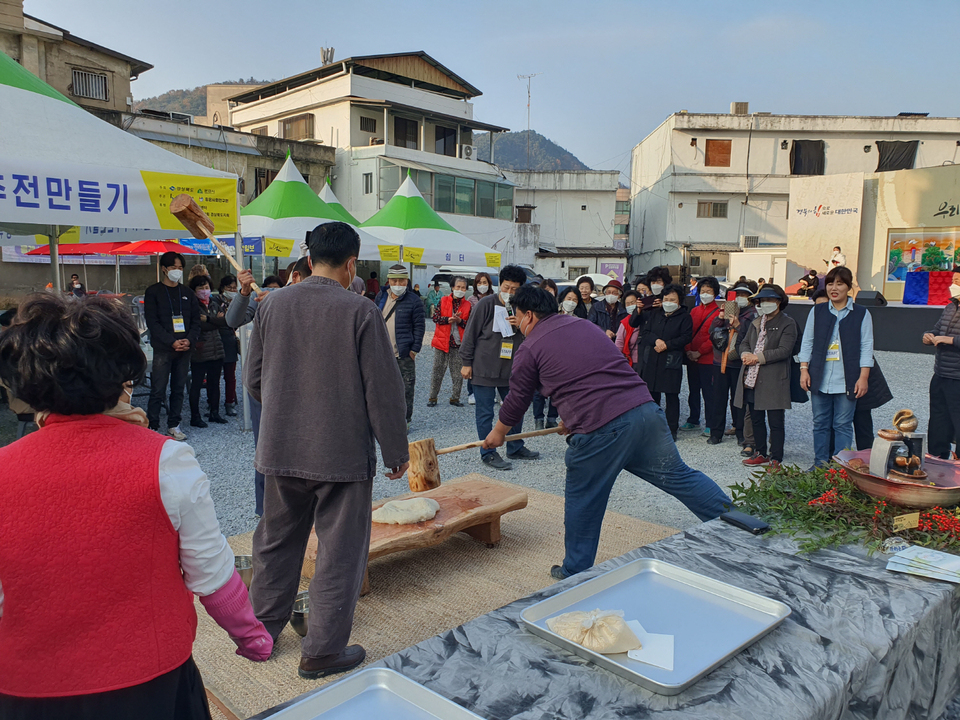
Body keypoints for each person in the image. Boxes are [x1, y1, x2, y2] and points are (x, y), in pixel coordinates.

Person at [0, 294, 271, 718]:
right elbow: (211, 572)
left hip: (26, 690)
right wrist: (251, 636)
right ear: (122, 374)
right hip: (150, 683)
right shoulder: (166, 459)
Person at [245, 222, 409, 680]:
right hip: (340, 454)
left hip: (279, 447)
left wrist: (286, 411)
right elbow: (383, 390)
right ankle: (321, 651)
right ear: (351, 263)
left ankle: (259, 633)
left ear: (308, 255)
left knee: (275, 542)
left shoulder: (273, 304)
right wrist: (396, 449)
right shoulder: (360, 311)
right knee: (339, 552)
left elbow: (253, 381)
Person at [482, 285, 731, 579]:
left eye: (518, 315)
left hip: (603, 430)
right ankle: (743, 525)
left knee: (584, 499)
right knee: (680, 477)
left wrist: (497, 434)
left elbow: (517, 399)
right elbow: (590, 373)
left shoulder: (531, 345)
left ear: (530, 315)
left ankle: (575, 570)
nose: (518, 322)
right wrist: (572, 418)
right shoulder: (583, 325)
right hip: (644, 412)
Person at [460, 264, 539, 470]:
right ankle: (488, 452)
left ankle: (515, 446)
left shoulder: (524, 309)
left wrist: (521, 325)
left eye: (515, 289)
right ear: (499, 285)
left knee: (516, 409)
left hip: (512, 369)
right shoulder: (486, 304)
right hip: (484, 368)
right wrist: (466, 363)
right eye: (506, 287)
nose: (510, 292)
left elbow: (533, 336)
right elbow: (470, 334)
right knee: (485, 412)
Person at [797, 266, 874, 467]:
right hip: (819, 376)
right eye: (831, 283)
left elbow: (867, 346)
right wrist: (803, 369)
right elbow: (807, 342)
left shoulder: (861, 313)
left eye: (840, 283)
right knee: (820, 424)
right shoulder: (818, 311)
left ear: (848, 287)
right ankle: (820, 464)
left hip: (847, 378)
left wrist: (863, 377)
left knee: (843, 425)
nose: (834, 288)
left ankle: (841, 468)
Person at [735, 285, 798, 467]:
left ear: (779, 302)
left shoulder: (788, 322)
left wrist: (758, 358)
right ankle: (760, 451)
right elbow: (744, 342)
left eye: (769, 300)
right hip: (752, 378)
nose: (765, 304)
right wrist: (745, 354)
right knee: (756, 418)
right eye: (762, 301)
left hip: (774, 378)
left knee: (775, 420)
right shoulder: (757, 321)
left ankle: (776, 457)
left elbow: (785, 350)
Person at [144, 251, 200, 440]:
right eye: (174, 268)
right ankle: (152, 424)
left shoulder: (187, 293)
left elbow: (195, 321)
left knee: (178, 388)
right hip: (163, 348)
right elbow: (152, 322)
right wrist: (171, 341)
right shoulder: (153, 292)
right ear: (164, 269)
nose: (177, 271)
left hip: (185, 348)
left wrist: (189, 340)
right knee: (158, 388)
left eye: (180, 268)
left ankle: (174, 424)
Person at [635, 284, 692, 439]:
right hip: (652, 359)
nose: (668, 302)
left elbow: (686, 337)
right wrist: (657, 341)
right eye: (666, 299)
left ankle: (671, 429)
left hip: (671, 360)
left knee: (672, 396)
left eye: (672, 299)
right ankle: (653, 427)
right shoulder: (655, 314)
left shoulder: (684, 317)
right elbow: (645, 332)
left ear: (679, 301)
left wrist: (667, 344)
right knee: (652, 396)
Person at [707, 281, 758, 447]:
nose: (740, 298)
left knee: (739, 400)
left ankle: (740, 432)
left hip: (739, 362)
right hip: (720, 360)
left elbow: (753, 336)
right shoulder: (727, 309)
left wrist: (738, 325)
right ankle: (716, 432)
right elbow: (712, 332)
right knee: (718, 398)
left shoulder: (752, 314)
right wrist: (720, 318)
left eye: (744, 295)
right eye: (738, 295)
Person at [375, 264, 425, 428]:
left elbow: (419, 326)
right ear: (388, 280)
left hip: (403, 353)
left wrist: (414, 349)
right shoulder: (381, 297)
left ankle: (405, 421)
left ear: (407, 281)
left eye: (402, 281)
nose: (398, 284)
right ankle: (384, 420)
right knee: (382, 388)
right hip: (382, 353)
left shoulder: (414, 301)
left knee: (406, 388)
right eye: (395, 280)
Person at [923, 267, 960, 458]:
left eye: (959, 282)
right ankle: (938, 462)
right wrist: (929, 336)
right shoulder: (950, 306)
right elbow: (938, 329)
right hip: (940, 375)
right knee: (938, 422)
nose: (954, 285)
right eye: (954, 280)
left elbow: (949, 338)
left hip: (958, 377)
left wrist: (951, 340)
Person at [682, 277, 722, 435]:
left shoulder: (719, 313)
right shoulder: (694, 311)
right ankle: (693, 419)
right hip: (692, 357)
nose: (705, 294)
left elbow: (715, 337)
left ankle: (711, 423)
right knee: (693, 390)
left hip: (708, 359)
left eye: (709, 291)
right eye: (703, 291)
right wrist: (688, 351)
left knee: (709, 392)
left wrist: (699, 352)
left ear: (715, 293)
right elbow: (687, 332)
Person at [188, 275, 227, 428]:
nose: (204, 291)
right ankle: (195, 416)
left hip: (217, 349)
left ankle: (214, 412)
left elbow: (224, 322)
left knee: (215, 383)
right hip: (200, 349)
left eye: (206, 287)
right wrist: (215, 321)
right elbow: (199, 325)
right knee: (196, 384)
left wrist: (210, 320)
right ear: (194, 290)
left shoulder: (214, 303)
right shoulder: (193, 306)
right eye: (200, 288)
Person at [428, 276, 470, 408]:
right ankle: (432, 397)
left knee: (457, 372)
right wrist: (448, 319)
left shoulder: (468, 305)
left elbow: (469, 324)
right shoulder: (443, 300)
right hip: (442, 341)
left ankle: (455, 398)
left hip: (458, 343)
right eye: (458, 287)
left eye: (463, 287)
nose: (460, 290)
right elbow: (435, 318)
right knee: (437, 370)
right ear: (452, 287)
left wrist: (460, 321)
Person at [467, 272, 495, 405]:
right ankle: (471, 392)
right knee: (472, 364)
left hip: (490, 337)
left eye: (484, 283)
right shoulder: (471, 300)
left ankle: (491, 392)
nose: (482, 285)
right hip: (475, 335)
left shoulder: (495, 298)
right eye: (479, 283)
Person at [217, 275, 240, 416]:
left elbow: (236, 323)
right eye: (229, 287)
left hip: (230, 342)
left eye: (234, 288)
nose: (232, 290)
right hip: (215, 341)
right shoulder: (215, 301)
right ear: (222, 288)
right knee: (214, 376)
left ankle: (230, 402)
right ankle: (212, 403)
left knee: (230, 376)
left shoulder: (238, 303)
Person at [615, 290, 641, 368]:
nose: (630, 305)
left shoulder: (647, 317)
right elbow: (619, 343)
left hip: (646, 361)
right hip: (631, 362)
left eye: (633, 302)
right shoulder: (625, 322)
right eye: (627, 304)